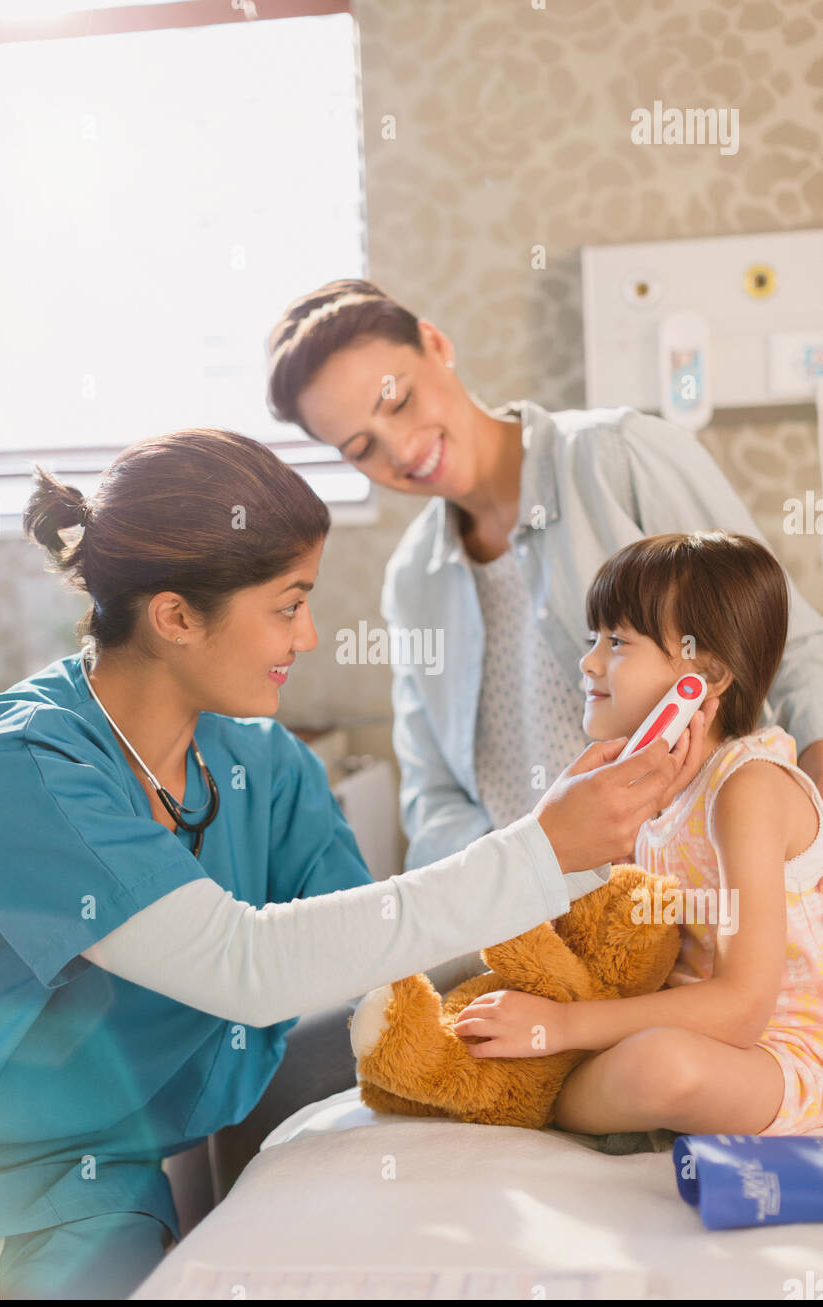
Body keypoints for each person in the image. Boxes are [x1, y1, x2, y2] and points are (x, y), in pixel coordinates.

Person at [0, 428, 712, 1300]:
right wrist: (540, 850)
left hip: (108, 1179)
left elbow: (374, 952)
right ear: (174, 618)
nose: (309, 636)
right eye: (288, 605)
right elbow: (246, 966)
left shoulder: (260, 766)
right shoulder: (22, 772)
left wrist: (581, 909)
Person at [266, 279, 823, 870]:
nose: (400, 449)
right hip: (537, 927)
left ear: (435, 343)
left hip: (696, 893)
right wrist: (513, 887)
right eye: (360, 448)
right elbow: (433, 798)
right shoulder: (413, 581)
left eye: (399, 402)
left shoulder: (620, 457)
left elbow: (795, 656)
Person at [453, 531, 823, 1140]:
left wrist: (563, 1026)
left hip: (779, 1055)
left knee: (661, 1067)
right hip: (680, 1031)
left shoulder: (747, 788)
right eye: (593, 637)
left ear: (702, 676)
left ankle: (532, 1096)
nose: (589, 660)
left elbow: (740, 1009)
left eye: (617, 641)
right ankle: (529, 1082)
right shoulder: (652, 794)